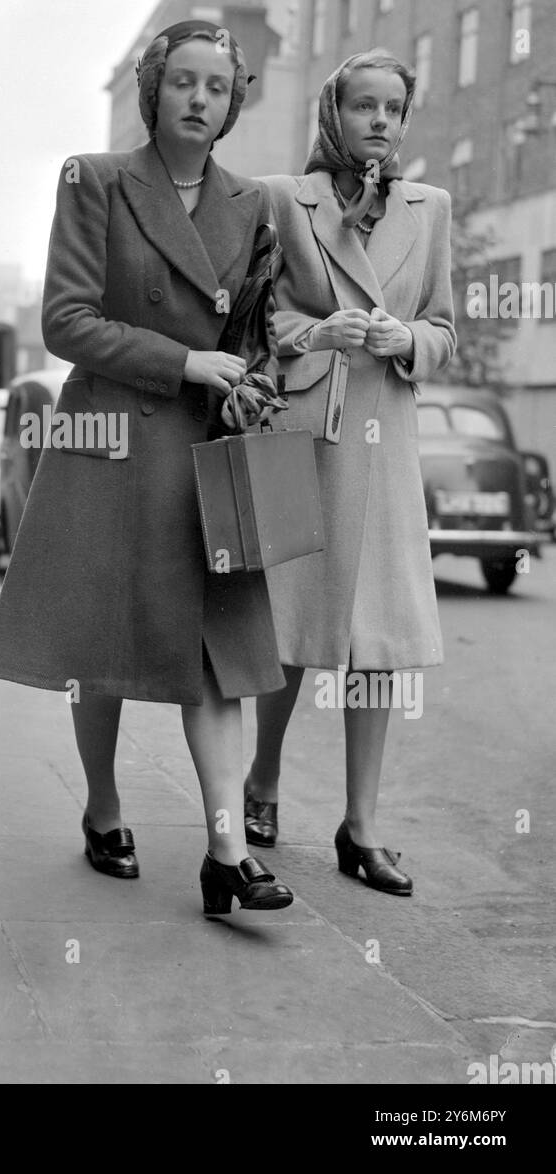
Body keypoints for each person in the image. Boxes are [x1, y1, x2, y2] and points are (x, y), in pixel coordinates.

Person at [0, 19, 296, 915]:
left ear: (235, 103)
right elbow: (65, 322)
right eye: (183, 81)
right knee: (101, 646)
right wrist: (186, 363)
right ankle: (104, 807)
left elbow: (253, 339)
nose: (199, 99)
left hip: (203, 454)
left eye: (217, 87)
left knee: (220, 659)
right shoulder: (96, 181)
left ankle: (225, 854)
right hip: (111, 438)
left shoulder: (252, 205)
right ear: (152, 88)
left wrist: (247, 387)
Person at [244, 49, 456, 896]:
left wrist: (406, 340)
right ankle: (260, 784)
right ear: (332, 112)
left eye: (393, 108)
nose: (378, 121)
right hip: (307, 430)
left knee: (379, 641)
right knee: (292, 627)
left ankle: (359, 826)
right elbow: (259, 320)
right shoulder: (279, 199)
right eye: (362, 105)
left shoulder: (429, 207)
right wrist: (317, 334)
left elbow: (441, 324)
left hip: (385, 436)